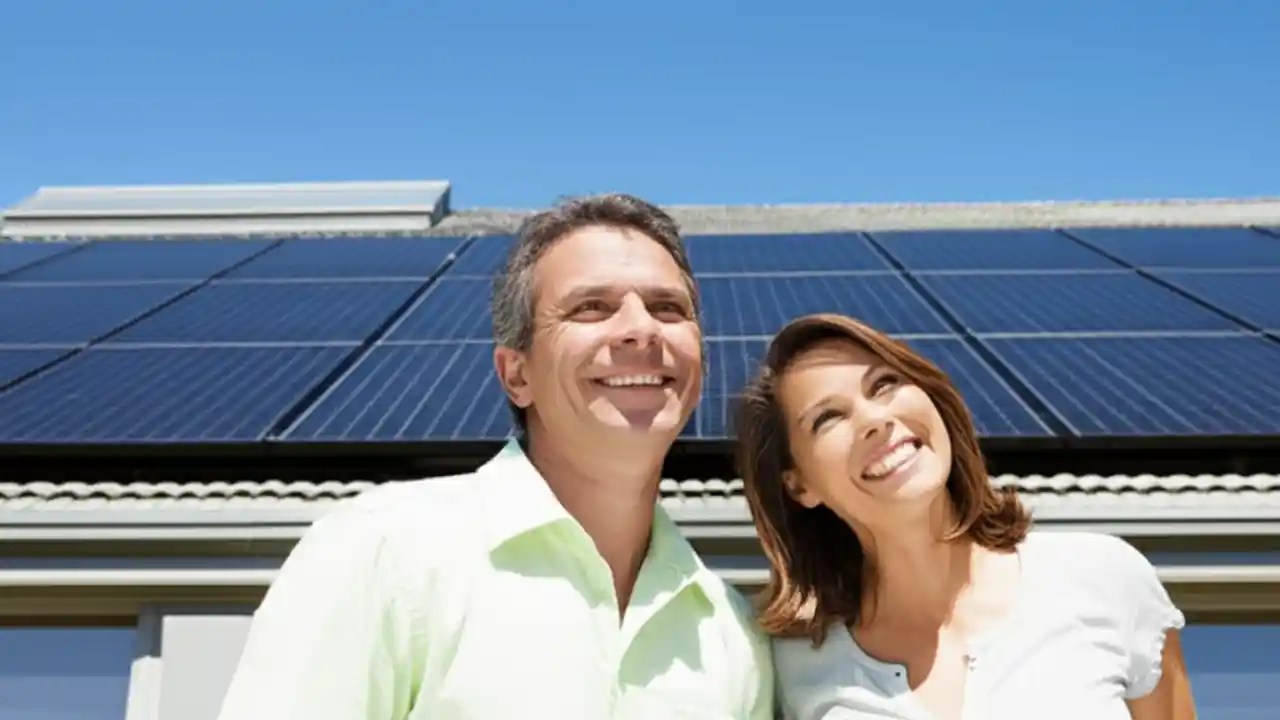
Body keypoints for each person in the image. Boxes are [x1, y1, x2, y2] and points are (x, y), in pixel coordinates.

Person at [216, 194, 774, 719]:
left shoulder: (733, 631)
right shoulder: (385, 550)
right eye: (591, 307)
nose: (640, 329)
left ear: (698, 372)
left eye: (667, 307)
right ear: (517, 374)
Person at [734, 312, 1196, 720]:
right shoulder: (787, 661)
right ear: (799, 485)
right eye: (828, 418)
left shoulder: (1102, 577)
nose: (876, 419)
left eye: (885, 384)